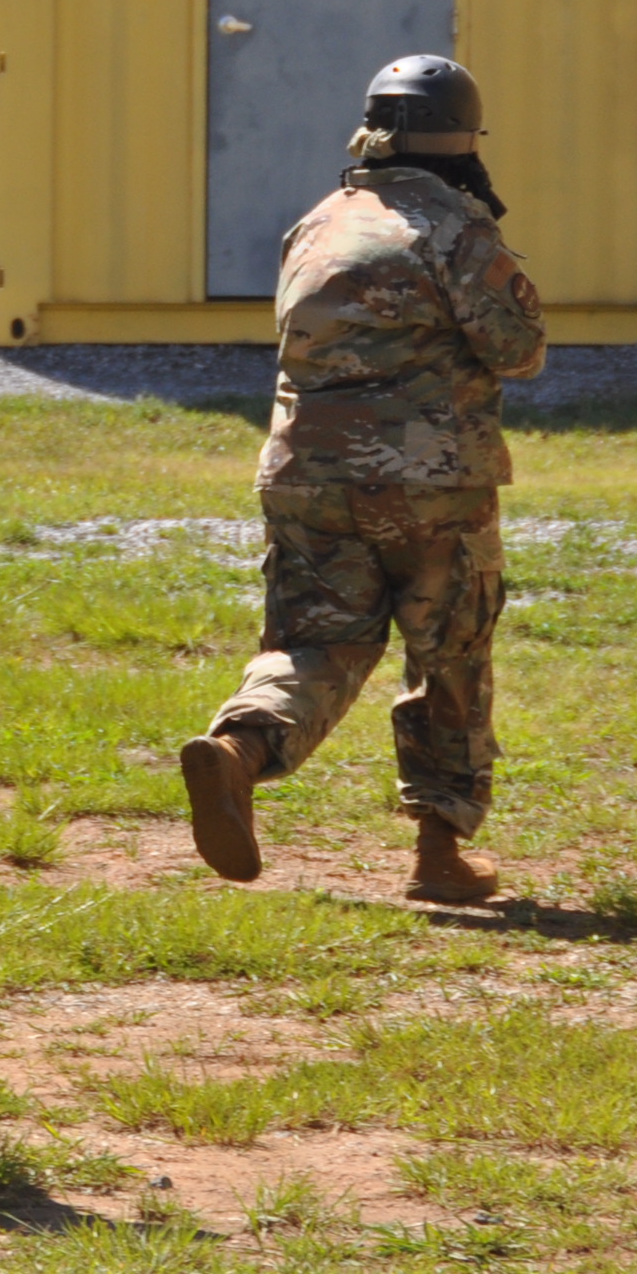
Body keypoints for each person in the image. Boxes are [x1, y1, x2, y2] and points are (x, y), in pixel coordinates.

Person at [177, 54, 546, 905]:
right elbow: (518, 349)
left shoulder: (319, 221)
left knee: (315, 644)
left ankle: (237, 750)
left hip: (305, 474)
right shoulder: (455, 229)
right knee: (448, 654)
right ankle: (440, 853)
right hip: (431, 483)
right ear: (465, 141)